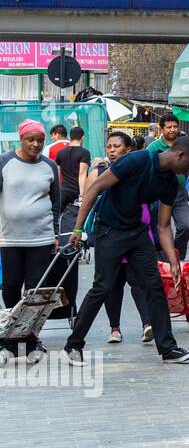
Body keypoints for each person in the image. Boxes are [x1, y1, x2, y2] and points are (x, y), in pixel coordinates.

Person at [64, 135, 189, 365]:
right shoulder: (136, 161)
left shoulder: (170, 182)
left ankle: (168, 349)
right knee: (102, 287)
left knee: (154, 286)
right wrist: (77, 229)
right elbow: (96, 186)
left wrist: (173, 261)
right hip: (109, 229)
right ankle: (73, 345)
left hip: (137, 232)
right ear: (180, 155)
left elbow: (164, 225)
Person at [0, 120, 60, 363]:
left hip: (41, 238)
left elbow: (56, 204)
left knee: (35, 293)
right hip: (10, 238)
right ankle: (11, 341)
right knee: (11, 287)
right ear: (21, 138)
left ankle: (31, 340)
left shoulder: (49, 166)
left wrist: (55, 234)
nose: (35, 144)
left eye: (40, 140)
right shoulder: (5, 162)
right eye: (30, 140)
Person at [85, 132, 151, 344]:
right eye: (109, 146)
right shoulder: (99, 172)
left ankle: (147, 324)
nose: (112, 150)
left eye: (117, 146)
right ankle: (115, 328)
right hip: (109, 236)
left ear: (128, 149)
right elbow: (87, 198)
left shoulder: (138, 170)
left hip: (136, 233)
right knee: (112, 284)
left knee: (138, 282)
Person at [51, 125, 92, 323]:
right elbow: (82, 174)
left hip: (62, 190)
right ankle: (73, 245)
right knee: (75, 222)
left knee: (58, 220)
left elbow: (57, 171)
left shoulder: (61, 152)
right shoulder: (84, 153)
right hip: (76, 191)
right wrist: (83, 195)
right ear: (82, 137)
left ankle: (58, 241)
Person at [147, 114, 189, 260]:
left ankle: (176, 257)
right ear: (162, 129)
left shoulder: (183, 145)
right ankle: (164, 262)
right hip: (159, 192)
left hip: (179, 192)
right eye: (168, 127)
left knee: (185, 227)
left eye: (175, 126)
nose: (172, 130)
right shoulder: (153, 147)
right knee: (161, 227)